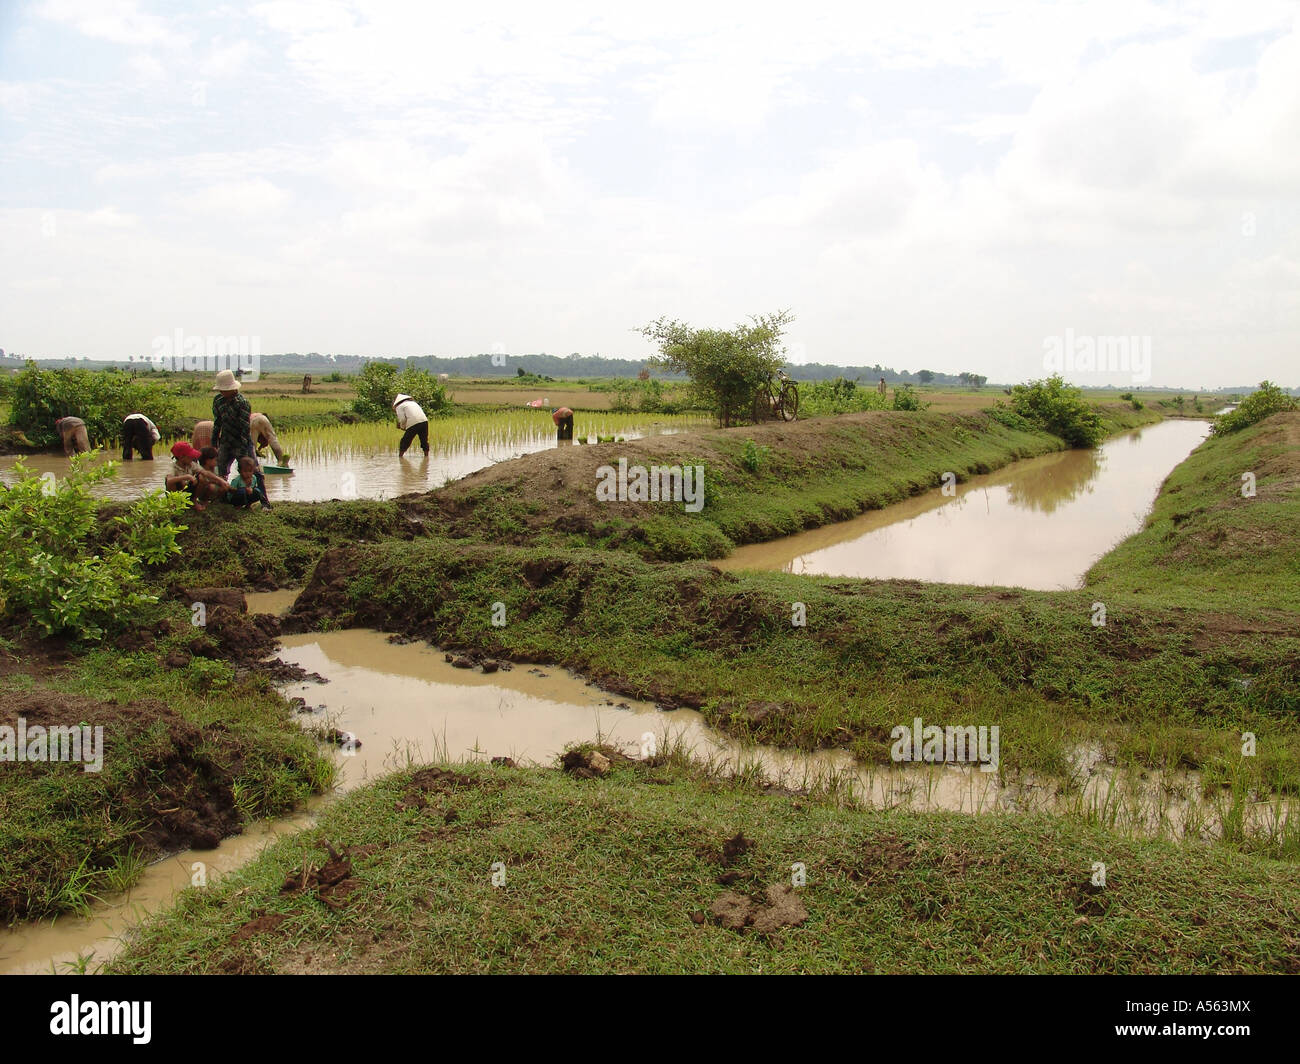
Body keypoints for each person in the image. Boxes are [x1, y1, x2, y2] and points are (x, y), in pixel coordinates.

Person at [211, 369, 254, 477]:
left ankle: (257, 492)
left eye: (224, 389)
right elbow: (217, 422)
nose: (221, 392)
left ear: (232, 389)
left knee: (249, 470)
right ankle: (222, 492)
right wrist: (214, 444)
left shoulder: (242, 403)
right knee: (220, 468)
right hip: (225, 441)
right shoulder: (218, 401)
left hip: (240, 441)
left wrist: (244, 451)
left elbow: (245, 428)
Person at [165, 441, 228, 511]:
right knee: (173, 482)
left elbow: (205, 472)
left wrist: (220, 480)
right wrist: (187, 477)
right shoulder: (172, 467)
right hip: (177, 492)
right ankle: (174, 504)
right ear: (182, 457)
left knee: (202, 477)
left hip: (187, 490)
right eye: (190, 456)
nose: (192, 457)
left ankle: (193, 501)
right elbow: (169, 480)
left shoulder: (191, 464)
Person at [393, 393, 429, 457]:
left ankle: (400, 457)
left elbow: (402, 420)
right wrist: (404, 427)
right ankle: (426, 457)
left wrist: (401, 426)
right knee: (424, 441)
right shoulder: (414, 403)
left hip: (413, 423)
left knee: (405, 441)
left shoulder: (399, 406)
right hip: (424, 421)